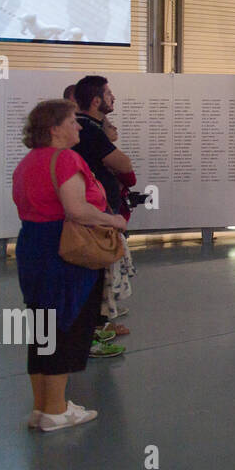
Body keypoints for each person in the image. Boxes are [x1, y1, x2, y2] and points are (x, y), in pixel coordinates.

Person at [12, 99, 127, 432]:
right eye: (71, 122)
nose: (78, 126)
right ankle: (57, 409)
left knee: (43, 327)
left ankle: (43, 407)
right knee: (66, 324)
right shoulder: (65, 159)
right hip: (64, 252)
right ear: (54, 129)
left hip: (33, 247)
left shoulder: (28, 162)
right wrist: (113, 220)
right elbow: (76, 210)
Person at [72, 75, 135, 353]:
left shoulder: (91, 129)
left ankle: (96, 328)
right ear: (96, 100)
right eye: (109, 94)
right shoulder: (89, 129)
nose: (113, 98)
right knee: (94, 273)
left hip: (100, 212)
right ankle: (91, 335)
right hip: (94, 216)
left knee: (100, 274)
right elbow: (122, 162)